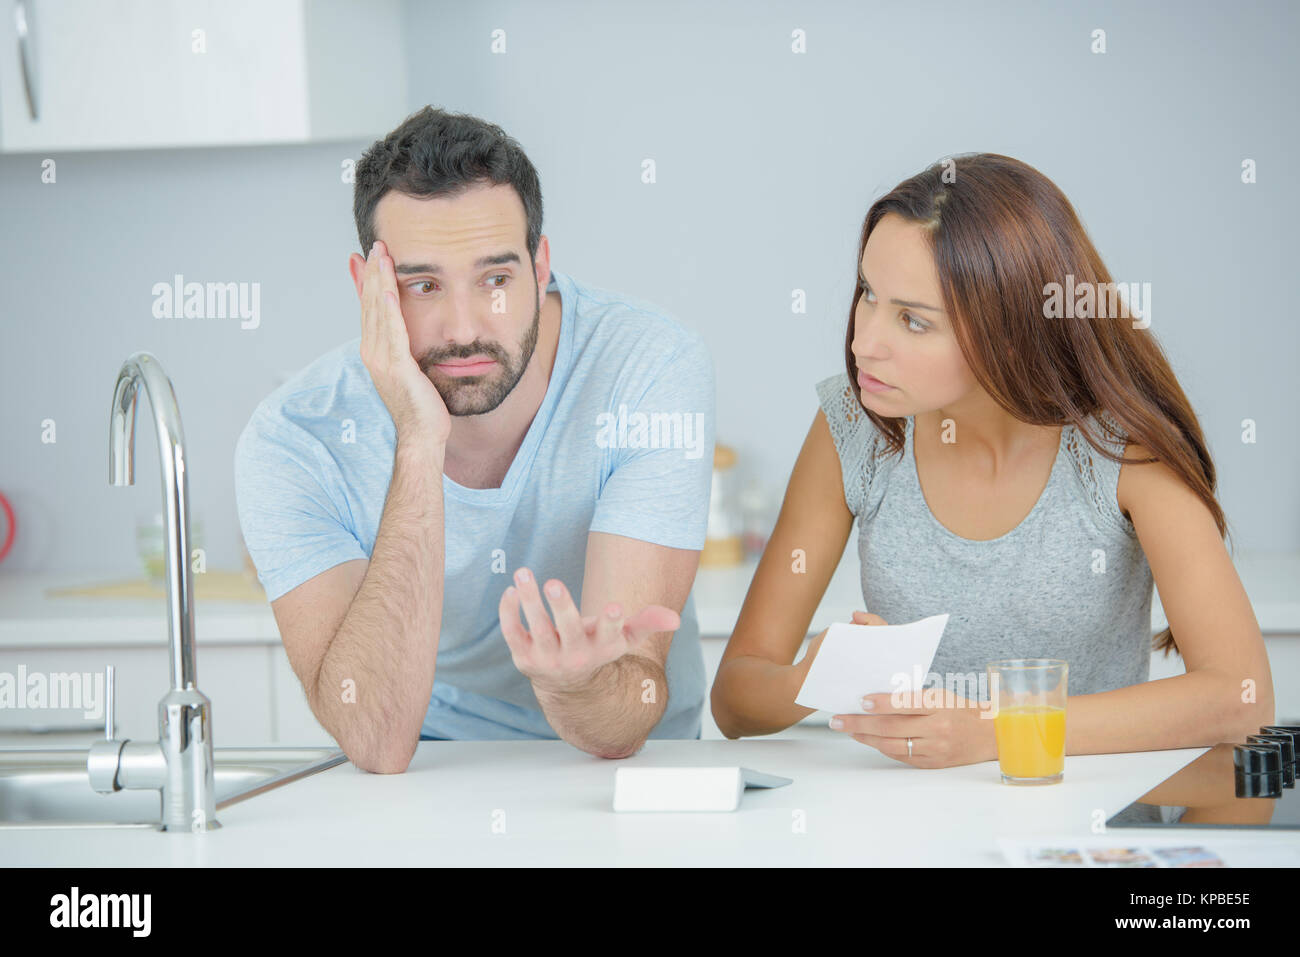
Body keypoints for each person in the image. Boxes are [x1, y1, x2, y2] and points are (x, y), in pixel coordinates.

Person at [711, 153, 1274, 767]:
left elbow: (1240, 699)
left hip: (1081, 815)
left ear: (1009, 332)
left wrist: (997, 729)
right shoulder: (856, 427)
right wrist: (807, 679)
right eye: (868, 294)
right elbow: (734, 703)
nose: (863, 341)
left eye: (912, 321)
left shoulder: (1122, 447)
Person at [234, 106, 714, 773]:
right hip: (434, 766)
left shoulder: (648, 367)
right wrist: (418, 440)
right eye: (422, 285)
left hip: (631, 766)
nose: (463, 327)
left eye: (494, 279)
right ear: (365, 285)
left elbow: (624, 715)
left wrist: (573, 682)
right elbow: (374, 738)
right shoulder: (294, 439)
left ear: (540, 266)